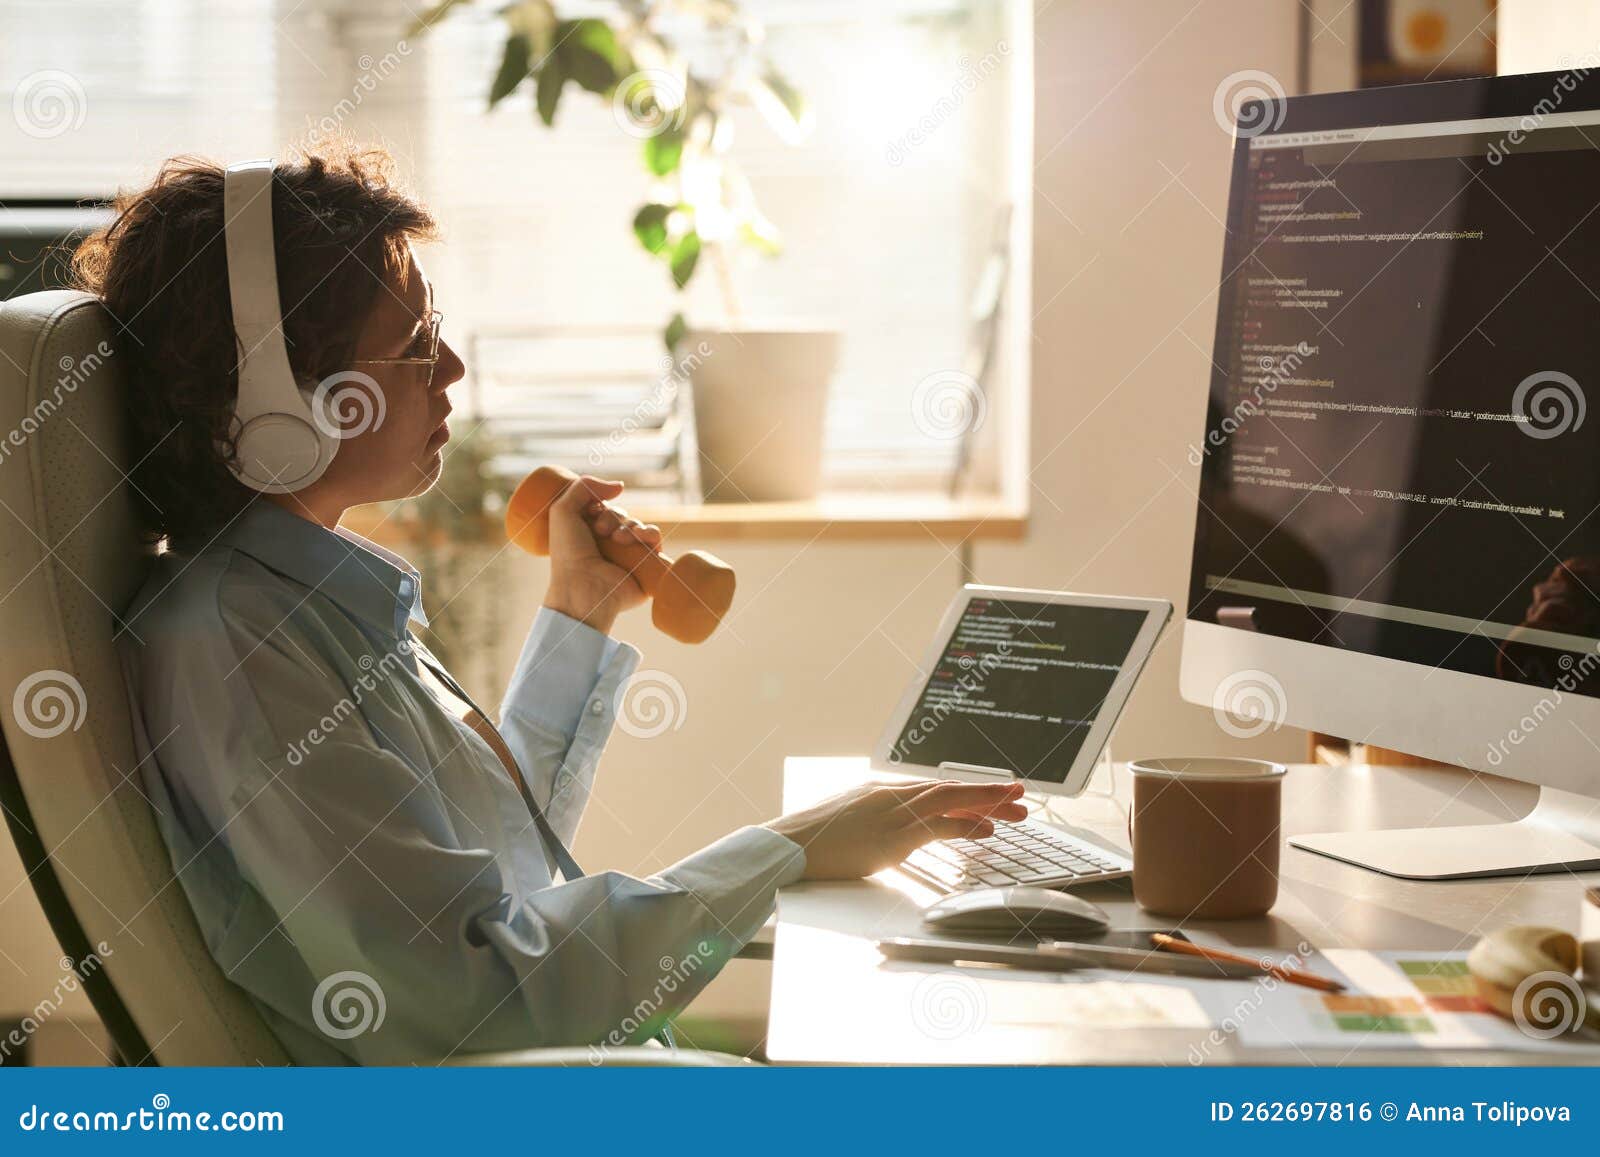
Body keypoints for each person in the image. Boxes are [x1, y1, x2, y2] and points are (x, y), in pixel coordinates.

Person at [77, 143, 1025, 1064]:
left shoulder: (293, 602)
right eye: (412, 346)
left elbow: (487, 863)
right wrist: (783, 850)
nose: (450, 369)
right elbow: (487, 1002)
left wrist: (581, 610)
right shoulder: (243, 654)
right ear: (282, 408)